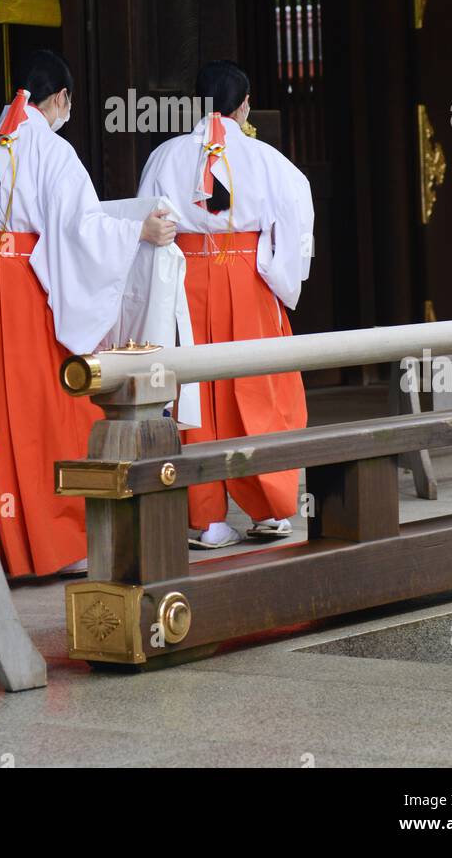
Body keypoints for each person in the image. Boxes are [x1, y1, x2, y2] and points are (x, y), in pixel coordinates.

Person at [0, 48, 176, 578]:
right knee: (42, 405)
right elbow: (78, 231)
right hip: (23, 292)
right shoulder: (53, 150)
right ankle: (50, 540)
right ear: (60, 97)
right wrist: (139, 230)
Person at [138, 60, 314, 549]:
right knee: (262, 389)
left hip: (187, 284)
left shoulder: (166, 156)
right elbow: (295, 218)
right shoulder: (264, 158)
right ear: (244, 104)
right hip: (249, 280)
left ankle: (207, 520)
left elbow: (146, 221)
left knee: (195, 395)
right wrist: (280, 277)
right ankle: (273, 509)